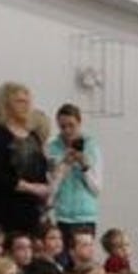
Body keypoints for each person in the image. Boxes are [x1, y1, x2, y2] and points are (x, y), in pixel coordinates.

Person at [0, 83, 54, 237]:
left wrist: (45, 190)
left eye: (28, 101)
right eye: (20, 101)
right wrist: (32, 188)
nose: (26, 106)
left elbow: (41, 171)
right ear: (6, 105)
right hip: (4, 208)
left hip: (31, 210)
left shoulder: (33, 136)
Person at [47, 103, 102, 245]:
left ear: (79, 122)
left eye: (71, 125)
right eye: (63, 126)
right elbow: (51, 188)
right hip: (62, 216)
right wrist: (65, 164)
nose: (67, 130)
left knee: (82, 257)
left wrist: (85, 165)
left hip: (86, 216)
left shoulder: (91, 147)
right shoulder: (52, 148)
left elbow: (96, 189)